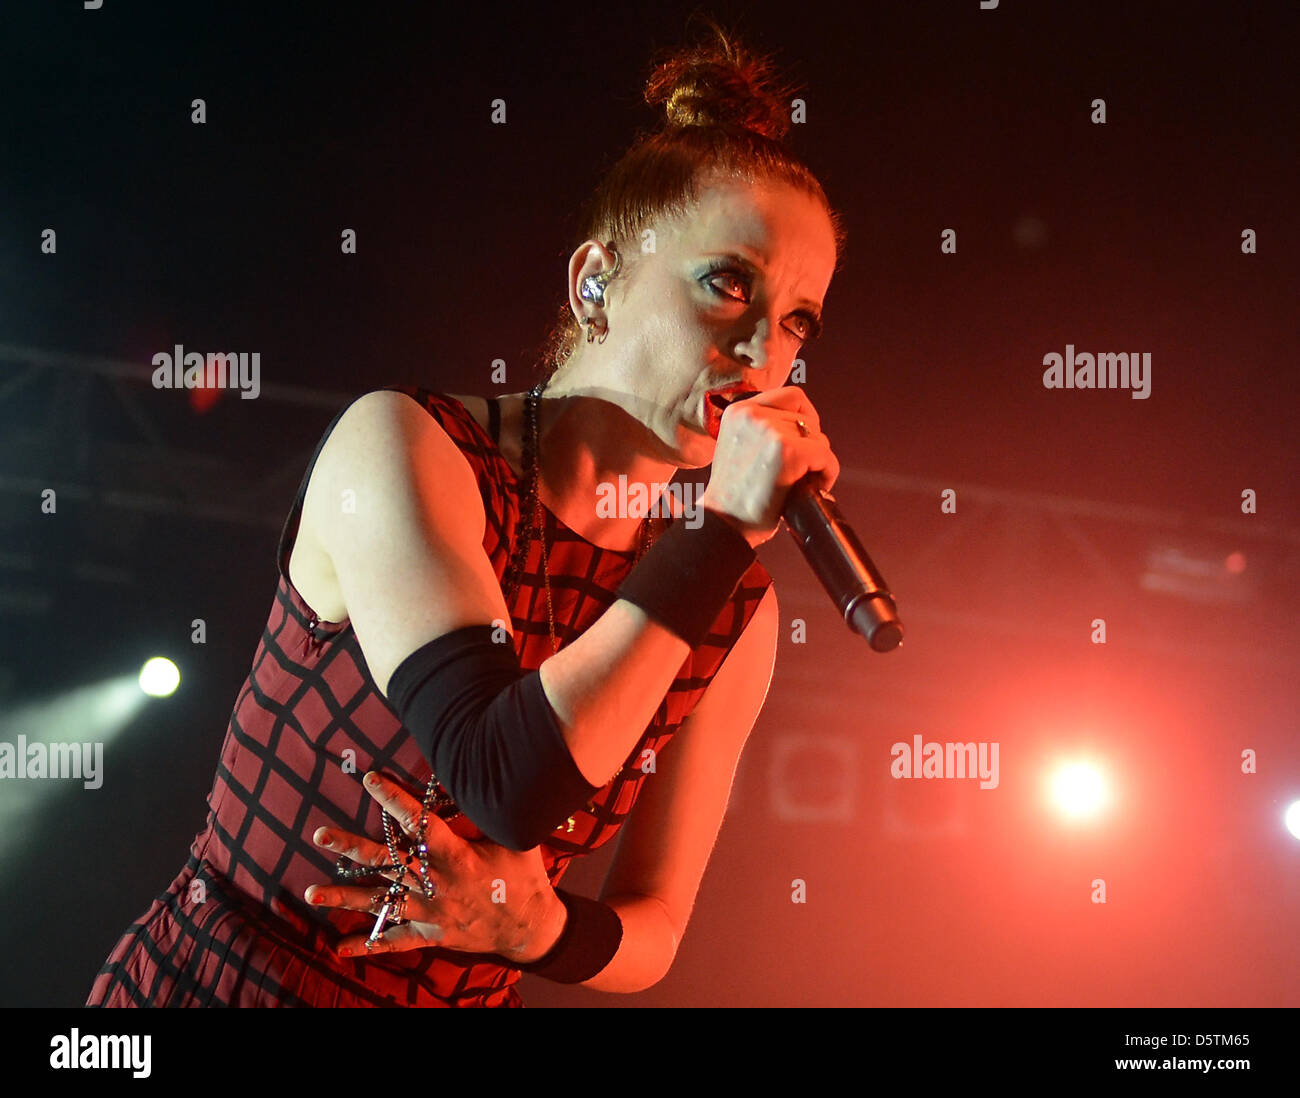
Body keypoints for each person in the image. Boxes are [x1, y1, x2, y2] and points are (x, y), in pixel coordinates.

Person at [85, 20, 844, 1007]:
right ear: (595, 282)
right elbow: (505, 774)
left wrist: (542, 930)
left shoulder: (733, 611)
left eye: (795, 322)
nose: (759, 350)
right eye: (726, 284)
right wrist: (720, 533)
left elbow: (654, 929)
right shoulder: (406, 447)